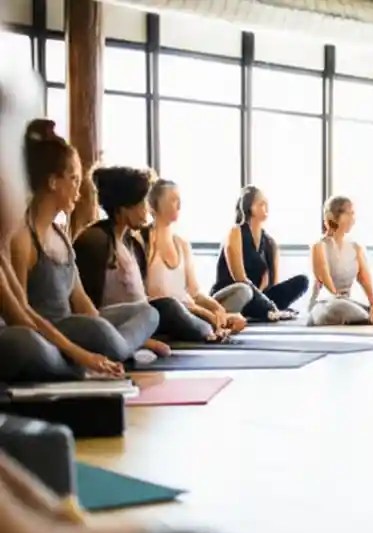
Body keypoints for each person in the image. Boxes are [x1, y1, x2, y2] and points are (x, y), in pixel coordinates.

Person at [0, 56, 258, 533]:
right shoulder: (52, 236)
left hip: (89, 334)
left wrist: (66, 518)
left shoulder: (76, 235)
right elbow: (28, 316)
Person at [9, 122, 160, 363]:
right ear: (53, 182)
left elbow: (81, 300)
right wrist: (82, 351)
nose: (79, 192)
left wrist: (106, 333)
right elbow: (19, 313)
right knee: (74, 335)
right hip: (48, 333)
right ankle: (117, 350)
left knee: (148, 313)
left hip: (77, 329)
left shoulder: (60, 235)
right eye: (74, 180)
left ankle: (117, 347)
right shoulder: (23, 238)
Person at [73, 166, 210, 351]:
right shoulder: (95, 241)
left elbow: (141, 297)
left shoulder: (131, 243)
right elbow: (86, 309)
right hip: (112, 324)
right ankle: (133, 343)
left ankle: (209, 329)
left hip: (141, 319)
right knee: (160, 310)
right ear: (124, 207)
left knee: (164, 306)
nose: (147, 210)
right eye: (142, 203)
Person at [143, 179, 252, 341]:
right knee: (173, 308)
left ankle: (218, 324)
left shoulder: (181, 243)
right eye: (173, 200)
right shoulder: (144, 241)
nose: (179, 206)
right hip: (164, 311)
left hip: (189, 309)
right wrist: (206, 313)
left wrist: (218, 309)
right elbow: (150, 298)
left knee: (243, 292)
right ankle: (211, 329)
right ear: (154, 204)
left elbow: (194, 293)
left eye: (179, 200)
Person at [211, 186, 309, 322]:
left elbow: (272, 285)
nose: (266, 208)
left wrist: (268, 301)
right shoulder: (236, 232)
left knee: (302, 281)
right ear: (250, 207)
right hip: (234, 294)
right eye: (261, 204)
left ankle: (265, 311)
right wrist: (269, 305)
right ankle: (268, 311)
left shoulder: (269, 243)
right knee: (245, 290)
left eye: (267, 204)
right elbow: (239, 278)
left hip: (257, 297)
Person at [307, 196, 373, 326]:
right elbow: (325, 281)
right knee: (339, 306)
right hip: (325, 304)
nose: (353, 218)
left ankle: (371, 315)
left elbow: (365, 279)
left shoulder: (355, 247)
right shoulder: (319, 246)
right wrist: (338, 298)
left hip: (348, 303)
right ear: (336, 215)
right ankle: (369, 318)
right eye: (350, 213)